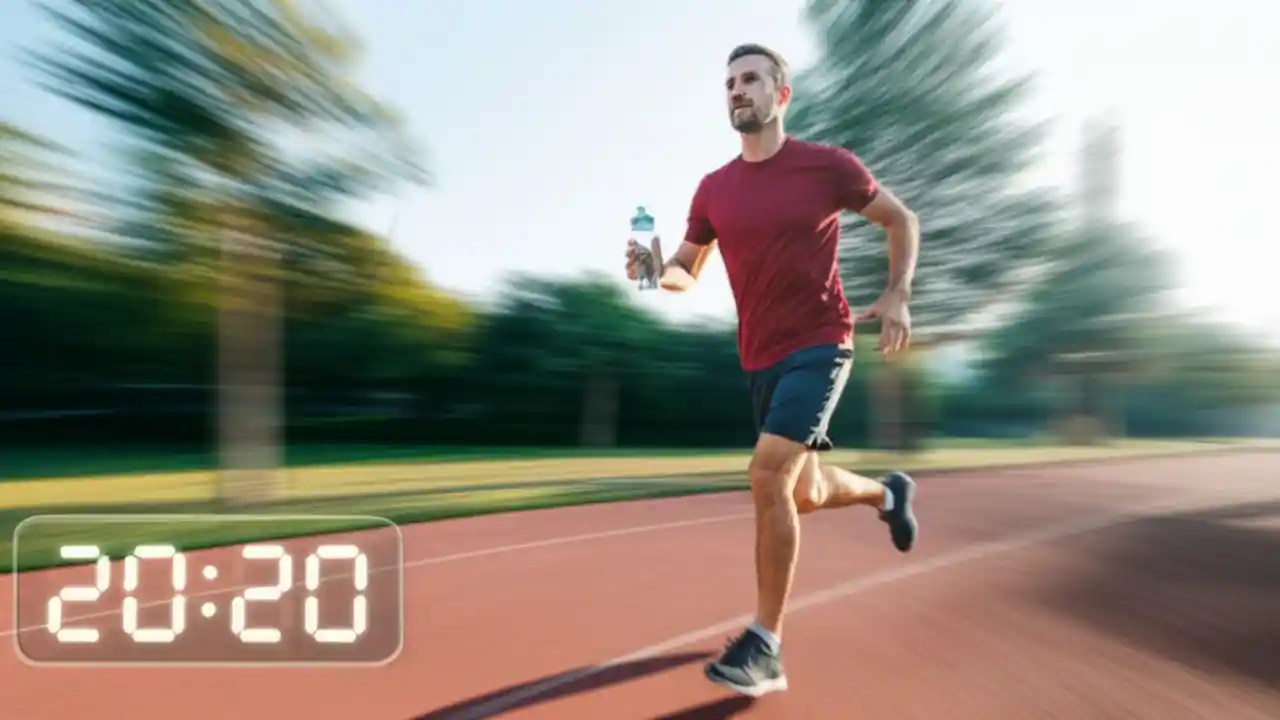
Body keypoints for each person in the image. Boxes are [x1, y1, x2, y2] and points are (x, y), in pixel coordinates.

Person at [624, 43, 921, 698]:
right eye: (729, 82)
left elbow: (900, 218)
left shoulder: (827, 167)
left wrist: (898, 291)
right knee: (803, 492)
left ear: (781, 95)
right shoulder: (713, 189)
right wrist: (651, 274)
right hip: (758, 356)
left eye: (751, 79)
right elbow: (684, 272)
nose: (737, 90)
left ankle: (766, 644)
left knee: (765, 475)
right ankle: (887, 493)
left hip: (820, 342)